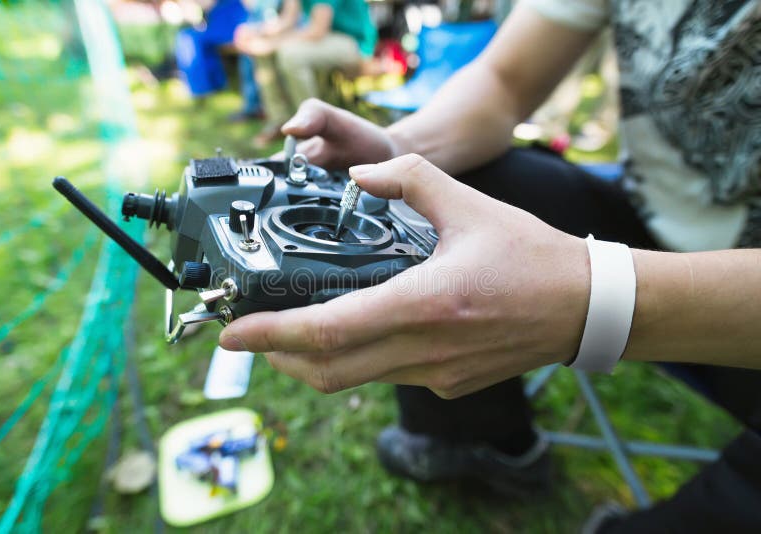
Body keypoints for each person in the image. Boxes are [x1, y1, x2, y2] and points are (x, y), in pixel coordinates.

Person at [219, 1, 761, 532]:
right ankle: (482, 443)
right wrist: (399, 145)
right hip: (653, 220)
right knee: (466, 181)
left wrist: (597, 302)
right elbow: (505, 80)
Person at [234, 0, 377, 147]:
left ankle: (312, 126)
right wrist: (257, 32)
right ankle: (280, 121)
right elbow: (288, 19)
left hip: (354, 43)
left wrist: (271, 44)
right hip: (327, 37)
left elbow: (317, 30)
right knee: (263, 50)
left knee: (291, 54)